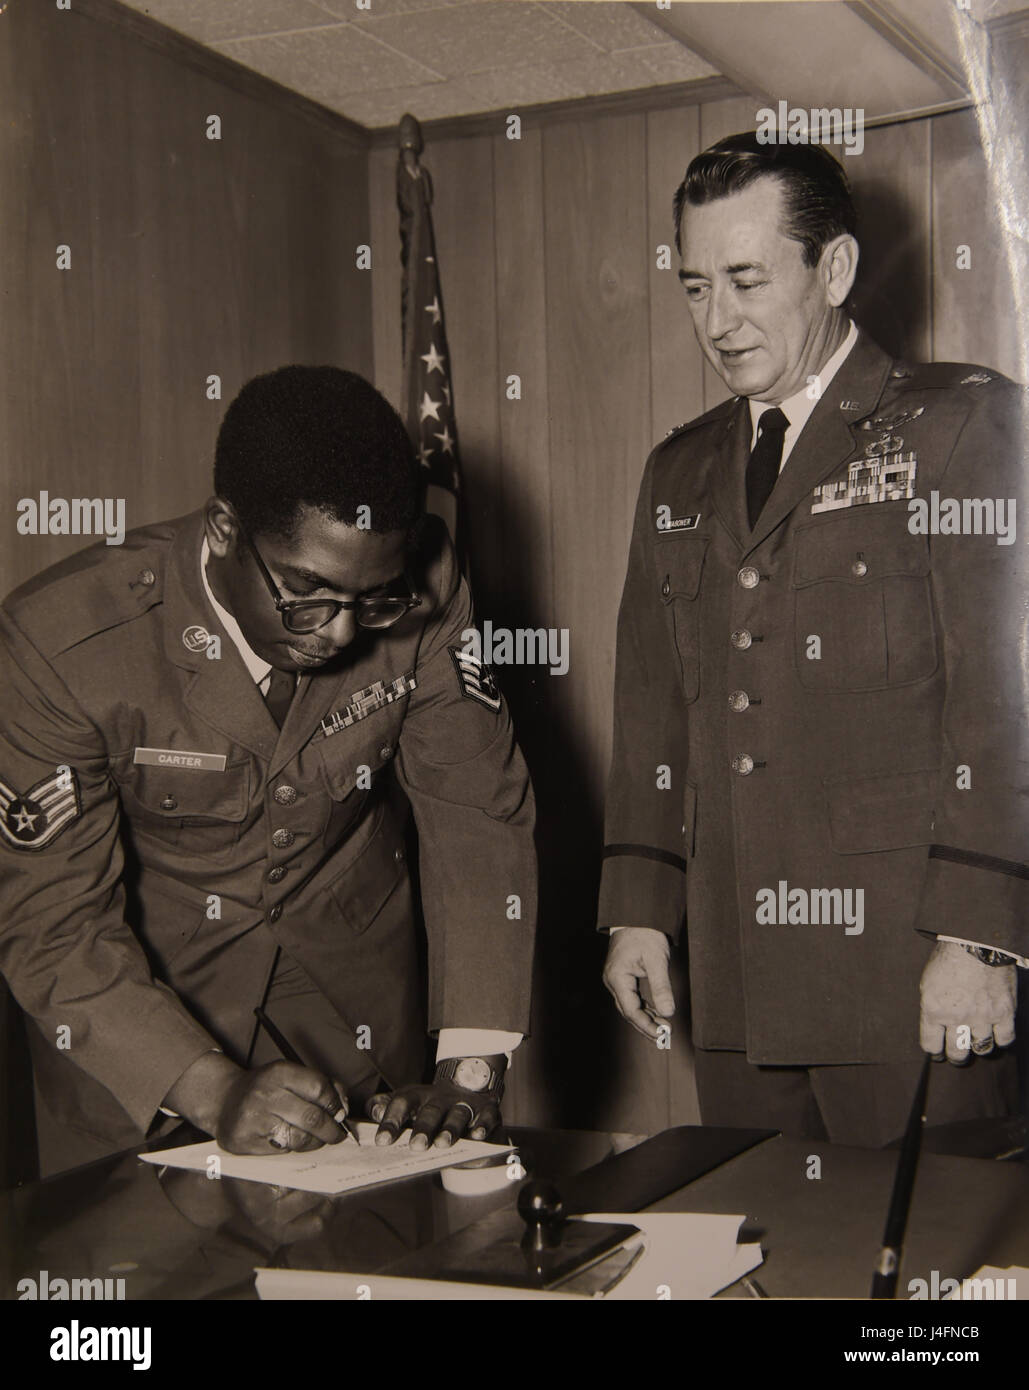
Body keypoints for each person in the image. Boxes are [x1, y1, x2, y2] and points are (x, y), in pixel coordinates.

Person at [599, 132, 1026, 1147]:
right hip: (742, 972)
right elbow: (652, 707)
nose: (720, 319)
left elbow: (1007, 707)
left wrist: (982, 939)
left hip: (908, 973)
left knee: (931, 1281)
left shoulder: (961, 427)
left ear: (832, 269)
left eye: (747, 280)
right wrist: (640, 907)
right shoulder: (678, 473)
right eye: (697, 287)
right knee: (774, 1255)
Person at [0, 366, 535, 1175]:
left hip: (356, 1013)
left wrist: (468, 1064)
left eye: (375, 598)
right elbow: (55, 925)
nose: (342, 633)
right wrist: (213, 1091)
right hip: (137, 1035)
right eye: (305, 593)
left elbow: (475, 811)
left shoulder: (425, 582)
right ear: (222, 528)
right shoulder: (62, 646)